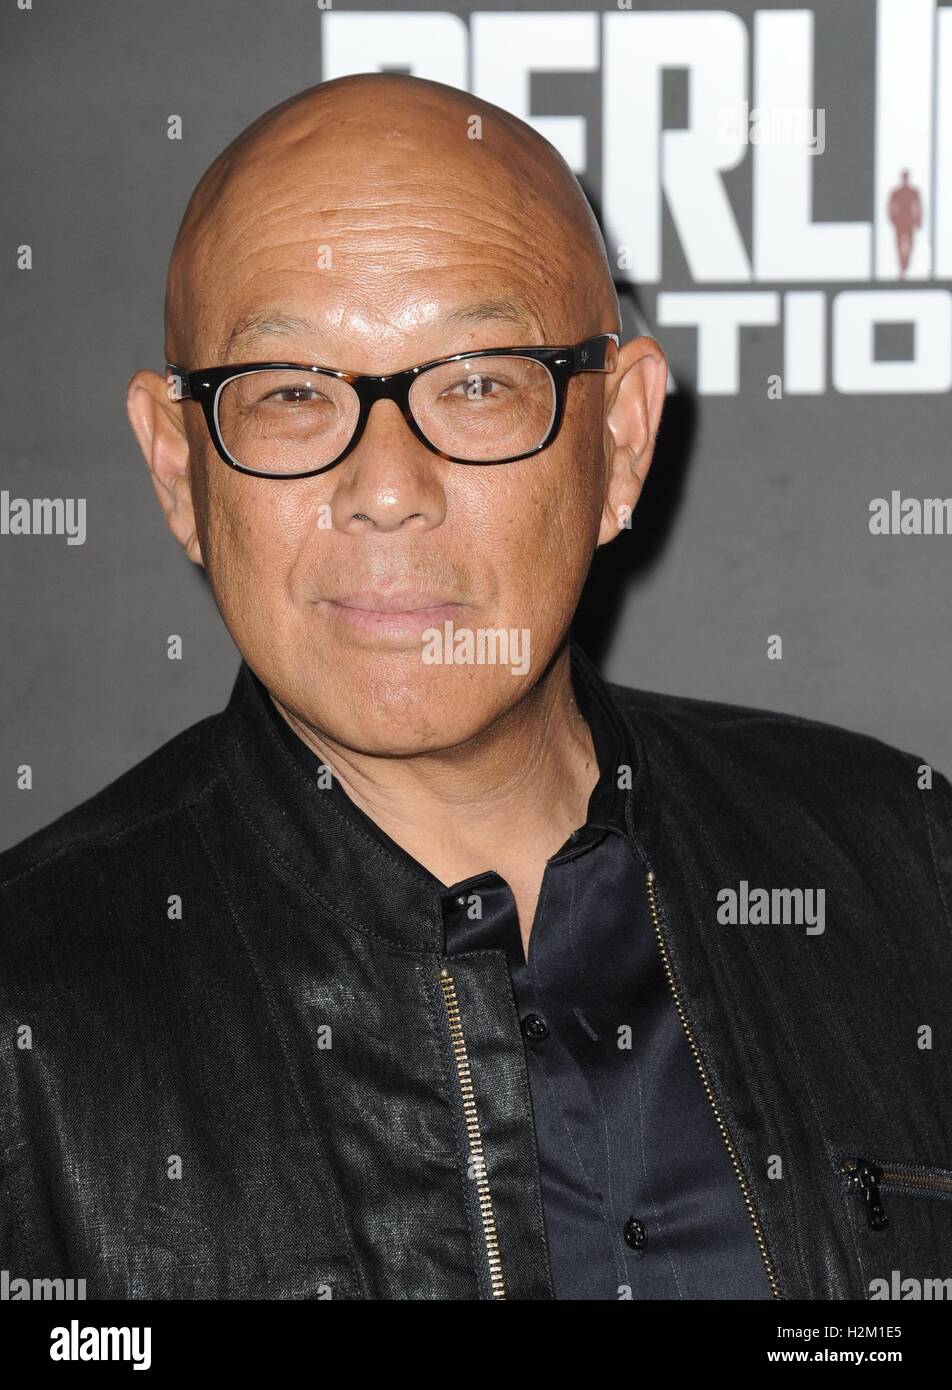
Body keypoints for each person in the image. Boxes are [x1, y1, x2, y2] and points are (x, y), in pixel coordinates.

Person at [2, 74, 951, 1301]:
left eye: (477, 381)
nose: (385, 483)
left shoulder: (906, 873)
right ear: (180, 469)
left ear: (618, 444)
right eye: (291, 391)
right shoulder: (29, 1014)